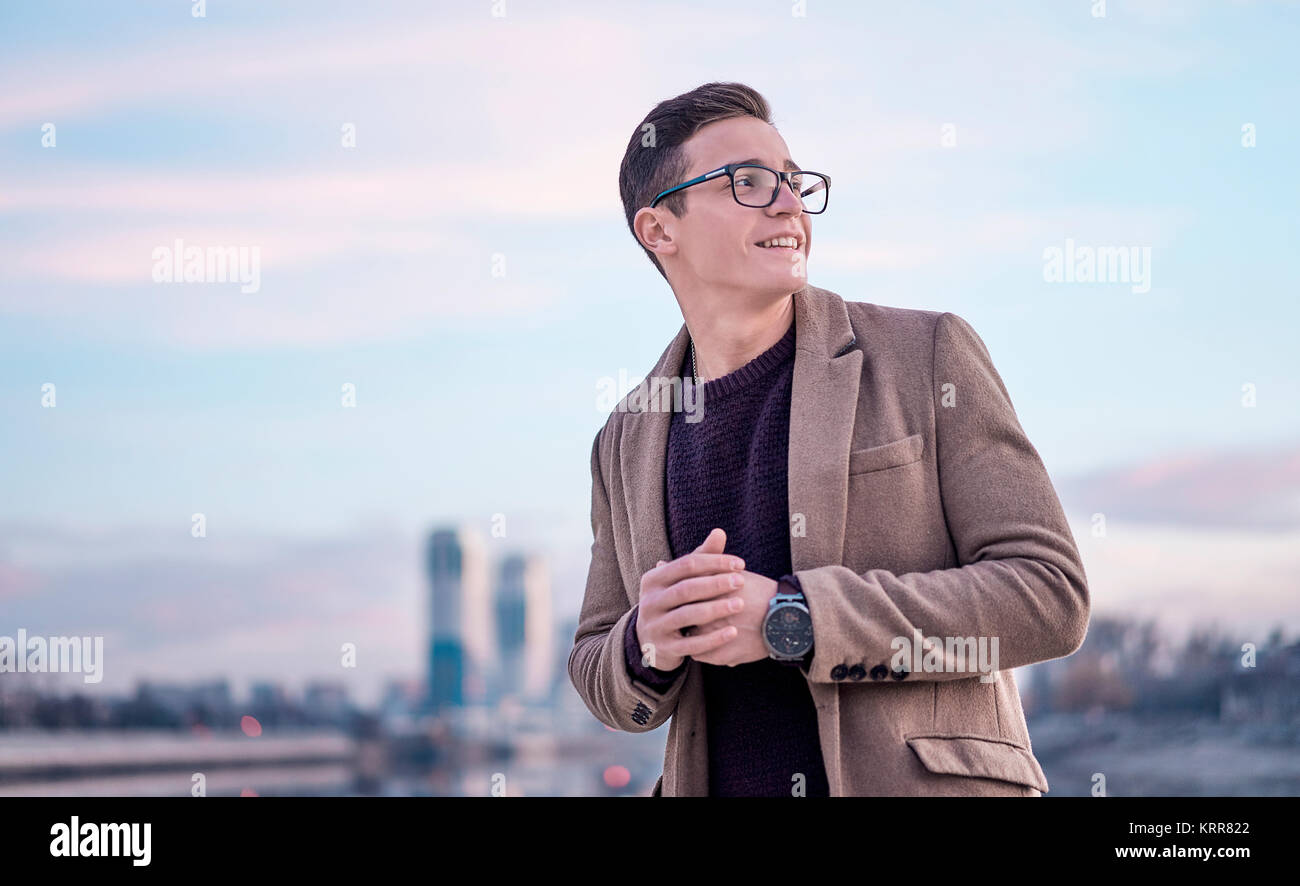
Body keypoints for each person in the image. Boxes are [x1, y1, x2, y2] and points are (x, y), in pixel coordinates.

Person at [568, 82, 1089, 796]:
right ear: (660, 230)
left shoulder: (926, 354)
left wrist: (796, 618)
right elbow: (596, 663)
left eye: (792, 181)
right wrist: (643, 641)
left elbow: (1049, 598)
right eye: (748, 182)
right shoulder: (623, 438)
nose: (787, 203)